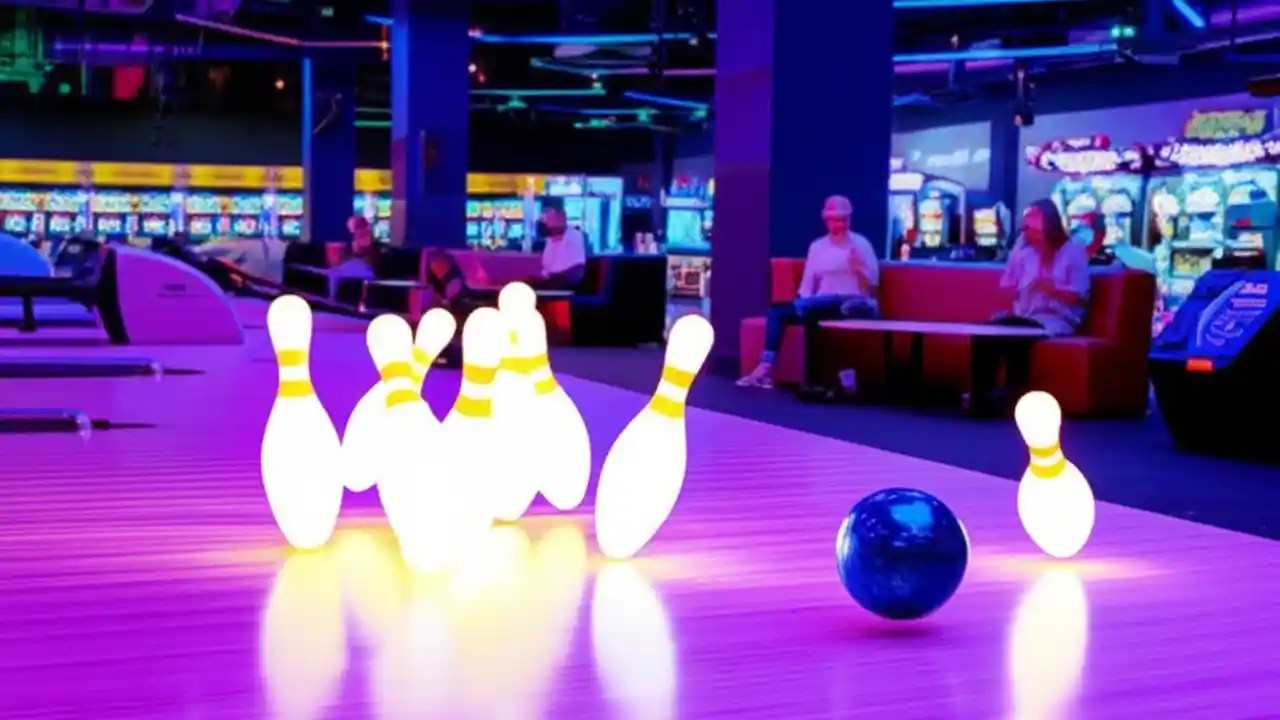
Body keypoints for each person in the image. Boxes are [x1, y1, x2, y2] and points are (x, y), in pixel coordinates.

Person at [737, 195, 880, 389]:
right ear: (826, 221)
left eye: (843, 220)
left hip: (855, 304)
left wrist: (858, 268)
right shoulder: (817, 247)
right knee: (777, 312)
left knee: (821, 307)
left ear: (849, 220)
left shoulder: (861, 245)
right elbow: (807, 287)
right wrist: (800, 304)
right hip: (819, 304)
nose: (839, 224)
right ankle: (766, 367)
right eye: (834, 220)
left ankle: (818, 378)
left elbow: (871, 289)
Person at [968, 198, 1091, 417]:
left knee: (1016, 333)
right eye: (1026, 225)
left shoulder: (1072, 251)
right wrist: (1015, 291)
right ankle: (981, 397)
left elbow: (1080, 299)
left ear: (1050, 224)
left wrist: (1048, 288)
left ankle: (1014, 397)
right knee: (985, 334)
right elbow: (1007, 285)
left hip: (1058, 318)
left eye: (1033, 225)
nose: (1028, 231)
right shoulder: (1023, 249)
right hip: (1025, 314)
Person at [534, 207, 587, 289]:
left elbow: (575, 269)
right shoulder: (550, 241)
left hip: (568, 281)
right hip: (552, 280)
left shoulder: (574, 236)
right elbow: (548, 267)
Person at [327, 215, 380, 298]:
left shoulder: (365, 235)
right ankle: (335, 297)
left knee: (334, 272)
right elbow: (348, 255)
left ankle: (333, 298)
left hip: (365, 267)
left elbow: (361, 253)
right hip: (357, 264)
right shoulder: (356, 237)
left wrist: (342, 261)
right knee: (333, 271)